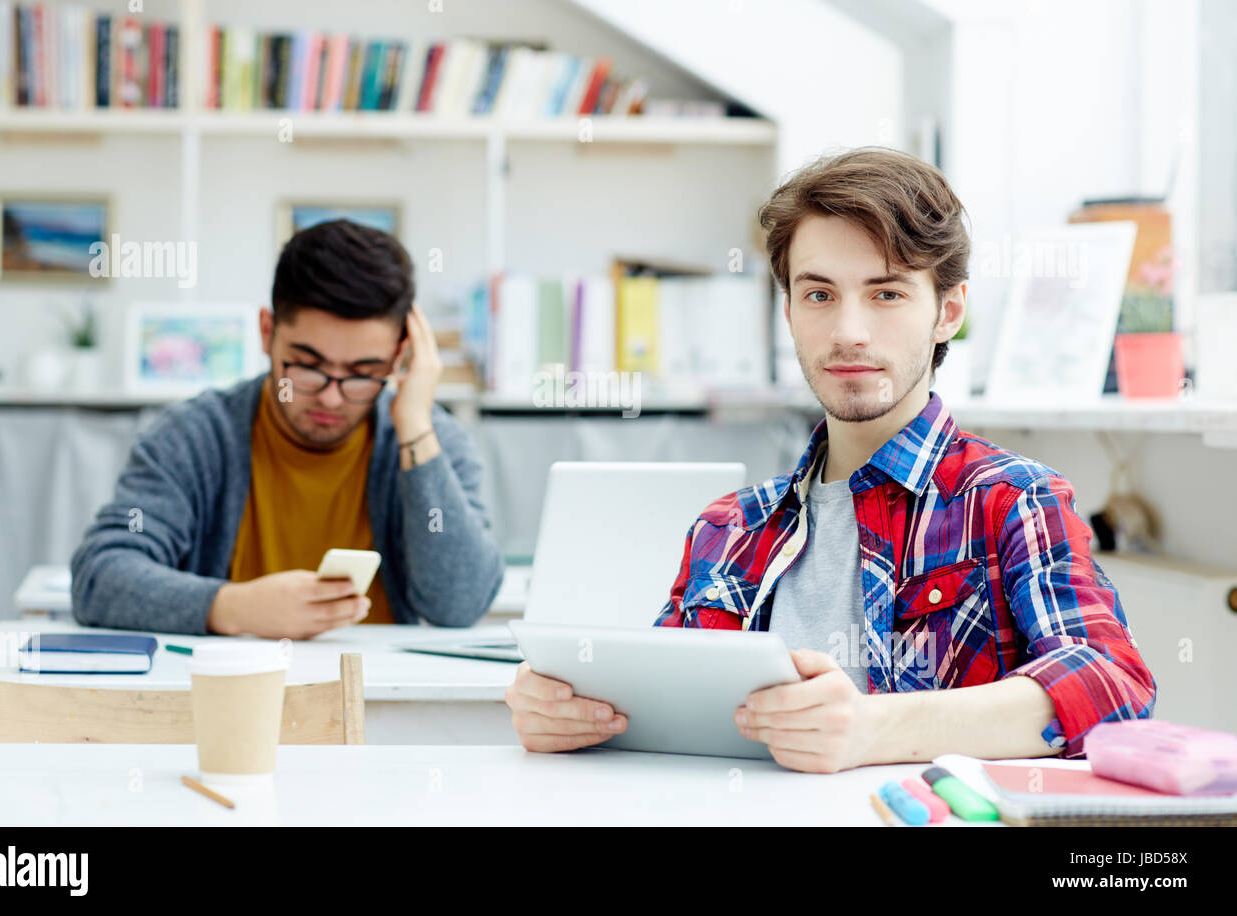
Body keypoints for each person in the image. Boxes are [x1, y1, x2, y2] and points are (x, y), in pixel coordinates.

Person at [505, 147, 1156, 769]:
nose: (849, 331)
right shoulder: (728, 530)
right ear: (788, 311)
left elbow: (1112, 687)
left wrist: (875, 727)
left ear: (947, 312)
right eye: (819, 295)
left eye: (887, 293)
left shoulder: (1012, 500)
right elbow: (664, 711)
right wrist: (571, 714)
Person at [71, 220, 503, 638]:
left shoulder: (428, 442)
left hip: (380, 702)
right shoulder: (192, 438)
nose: (331, 398)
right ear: (266, 332)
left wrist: (414, 430)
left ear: (400, 357)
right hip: (232, 700)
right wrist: (231, 607)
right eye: (308, 367)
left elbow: (460, 603)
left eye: (362, 372)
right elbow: (102, 574)